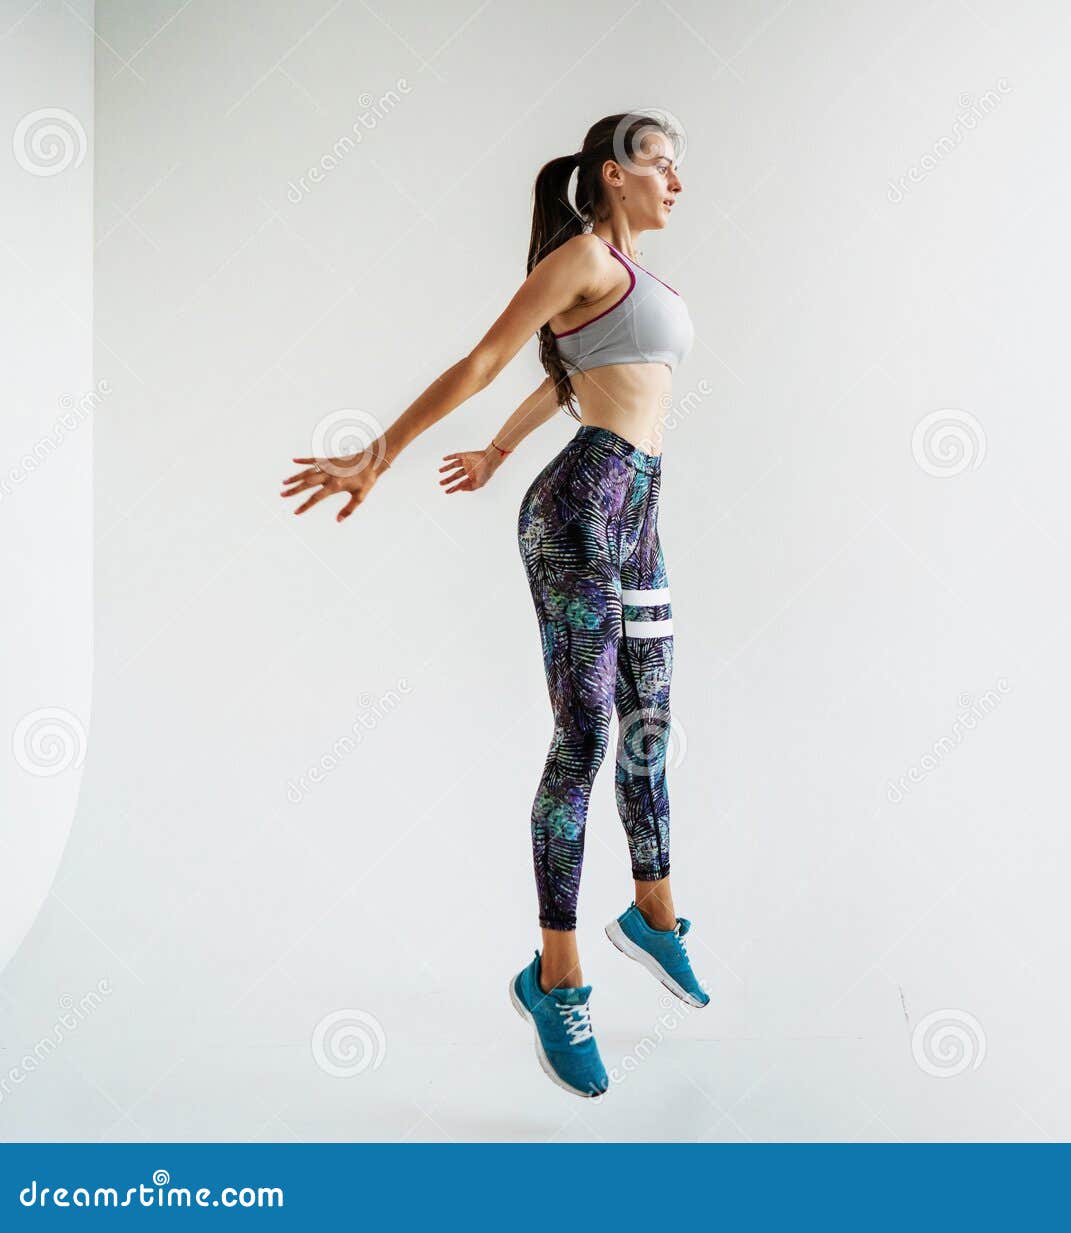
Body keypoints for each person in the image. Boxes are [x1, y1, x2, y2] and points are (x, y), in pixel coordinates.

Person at [279, 112, 709, 1099]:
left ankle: (652, 914)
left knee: (649, 723)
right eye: (662, 165)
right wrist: (379, 455)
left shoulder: (639, 280)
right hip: (579, 512)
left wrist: (499, 450)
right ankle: (556, 976)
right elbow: (485, 359)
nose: (678, 183)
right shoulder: (581, 256)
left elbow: (570, 378)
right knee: (586, 734)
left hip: (639, 512)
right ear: (614, 173)